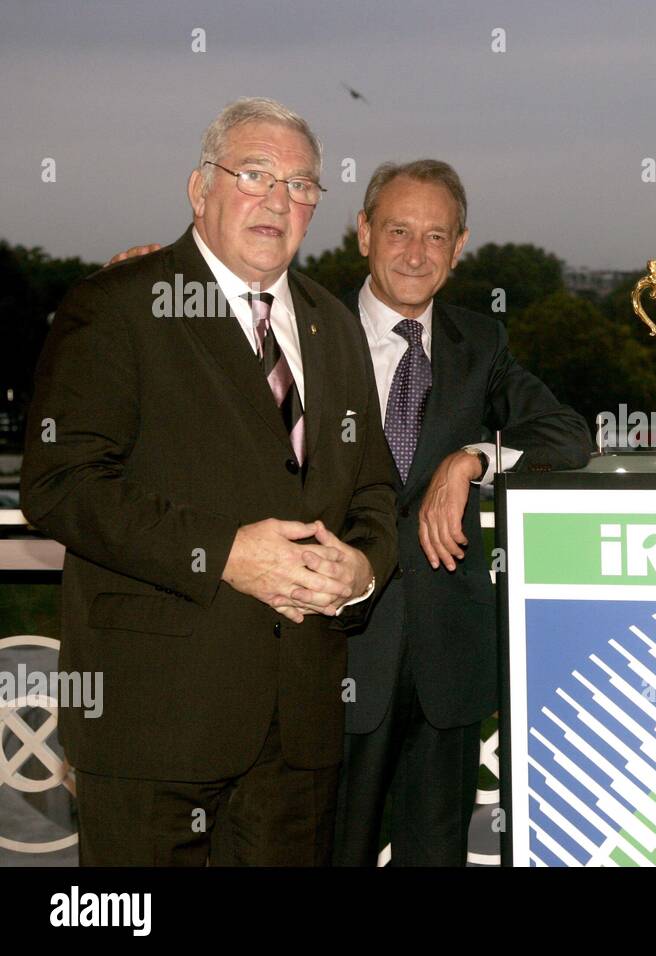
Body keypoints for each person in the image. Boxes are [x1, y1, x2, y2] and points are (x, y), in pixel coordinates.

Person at [21, 97, 398, 866]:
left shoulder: (336, 330)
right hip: (154, 726)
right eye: (254, 174)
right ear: (200, 190)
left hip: (300, 732)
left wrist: (361, 570)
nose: (277, 200)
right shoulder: (116, 306)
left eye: (300, 185)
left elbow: (373, 494)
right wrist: (223, 552)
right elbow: (61, 483)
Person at [333, 160, 591, 865]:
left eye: (436, 236)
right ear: (363, 234)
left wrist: (473, 458)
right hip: (332, 656)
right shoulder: (308, 329)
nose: (416, 253)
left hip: (447, 660)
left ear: (459, 246)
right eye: (398, 231)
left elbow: (569, 436)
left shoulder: (481, 343)